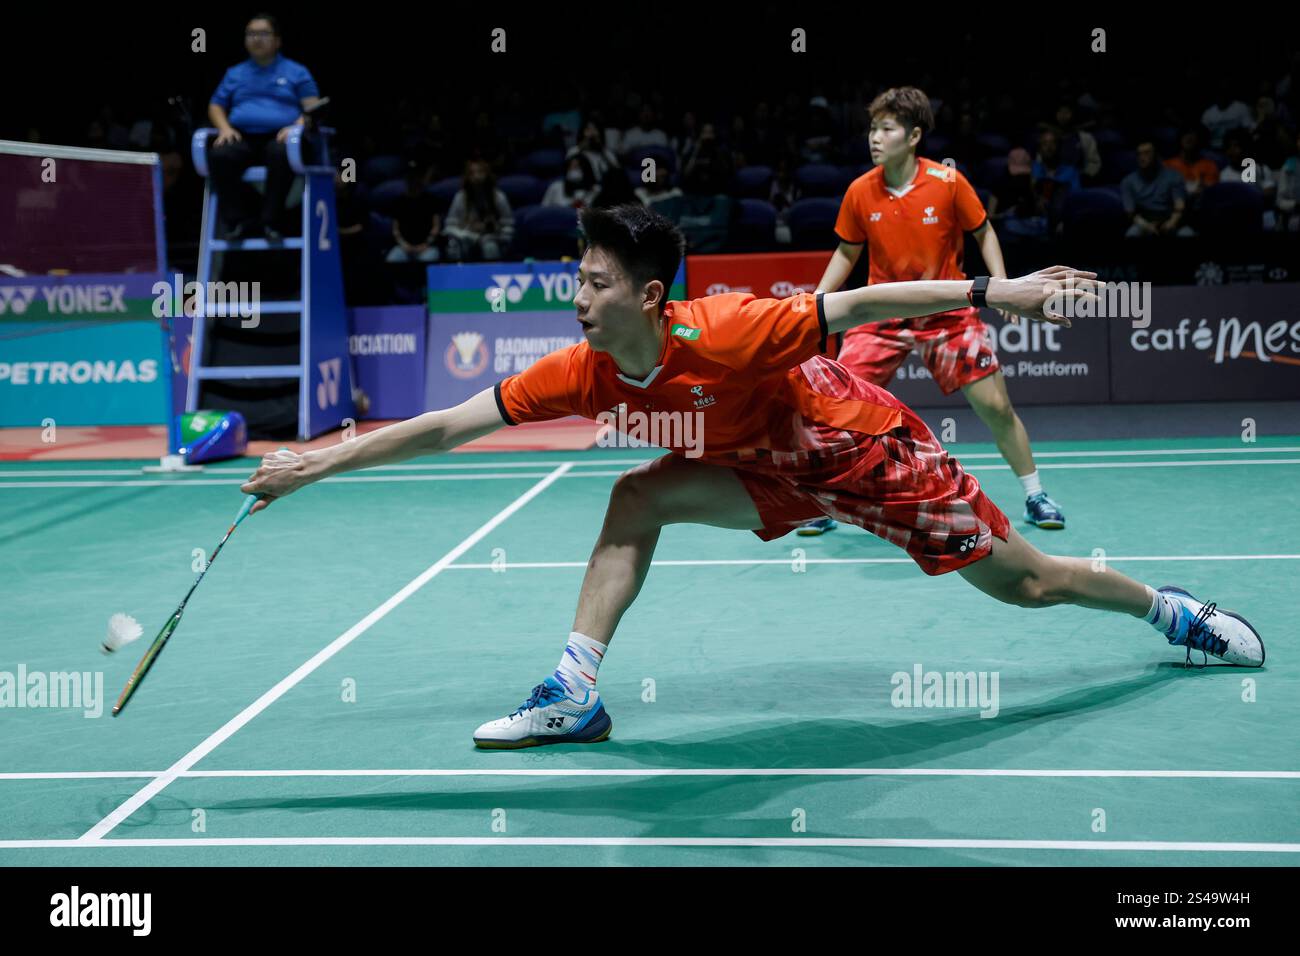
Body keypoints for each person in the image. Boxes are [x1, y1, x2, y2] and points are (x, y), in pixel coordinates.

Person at [241, 204, 1264, 749]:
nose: (576, 297)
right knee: (634, 493)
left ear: (647, 293)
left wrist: (1000, 292)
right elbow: (445, 427)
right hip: (765, 474)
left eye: (592, 282)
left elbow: (861, 305)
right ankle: (575, 689)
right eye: (574, 280)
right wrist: (313, 465)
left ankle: (1163, 610)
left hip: (862, 448)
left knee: (1028, 580)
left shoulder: (730, 328)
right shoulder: (584, 369)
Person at [810, 87, 1067, 536]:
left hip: (948, 312)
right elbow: (847, 252)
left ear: (912, 137)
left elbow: (983, 231)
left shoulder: (948, 183)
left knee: (996, 407)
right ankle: (821, 502)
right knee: (836, 407)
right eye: (872, 128)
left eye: (885, 128)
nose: (874, 137)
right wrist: (815, 304)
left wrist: (1002, 286)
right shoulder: (859, 191)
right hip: (881, 314)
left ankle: (1035, 494)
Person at [207, 13, 321, 241]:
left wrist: (297, 127)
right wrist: (225, 128)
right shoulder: (234, 73)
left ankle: (271, 222)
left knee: (280, 152)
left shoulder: (297, 72)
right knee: (220, 155)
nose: (256, 39)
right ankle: (238, 221)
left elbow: (314, 108)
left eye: (263, 34)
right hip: (244, 138)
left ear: (278, 40)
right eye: (251, 34)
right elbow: (215, 106)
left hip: (283, 138)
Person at [443, 159, 514, 261]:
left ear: (487, 175)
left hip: (491, 239)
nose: (477, 177)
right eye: (472, 173)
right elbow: (449, 226)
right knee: (453, 247)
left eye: (480, 172)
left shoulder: (499, 197)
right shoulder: (460, 197)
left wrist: (496, 233)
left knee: (490, 247)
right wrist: (468, 234)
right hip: (465, 237)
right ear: (467, 177)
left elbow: (508, 227)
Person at [1121, 141, 1192, 237]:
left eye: (1147, 153)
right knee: (1132, 234)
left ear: (1156, 155)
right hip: (1145, 221)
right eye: (1139, 154)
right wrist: (1145, 226)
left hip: (1171, 219)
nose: (1142, 157)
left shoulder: (1174, 176)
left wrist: (1171, 223)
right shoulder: (1128, 181)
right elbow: (1130, 213)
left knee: (1187, 234)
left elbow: (1179, 206)